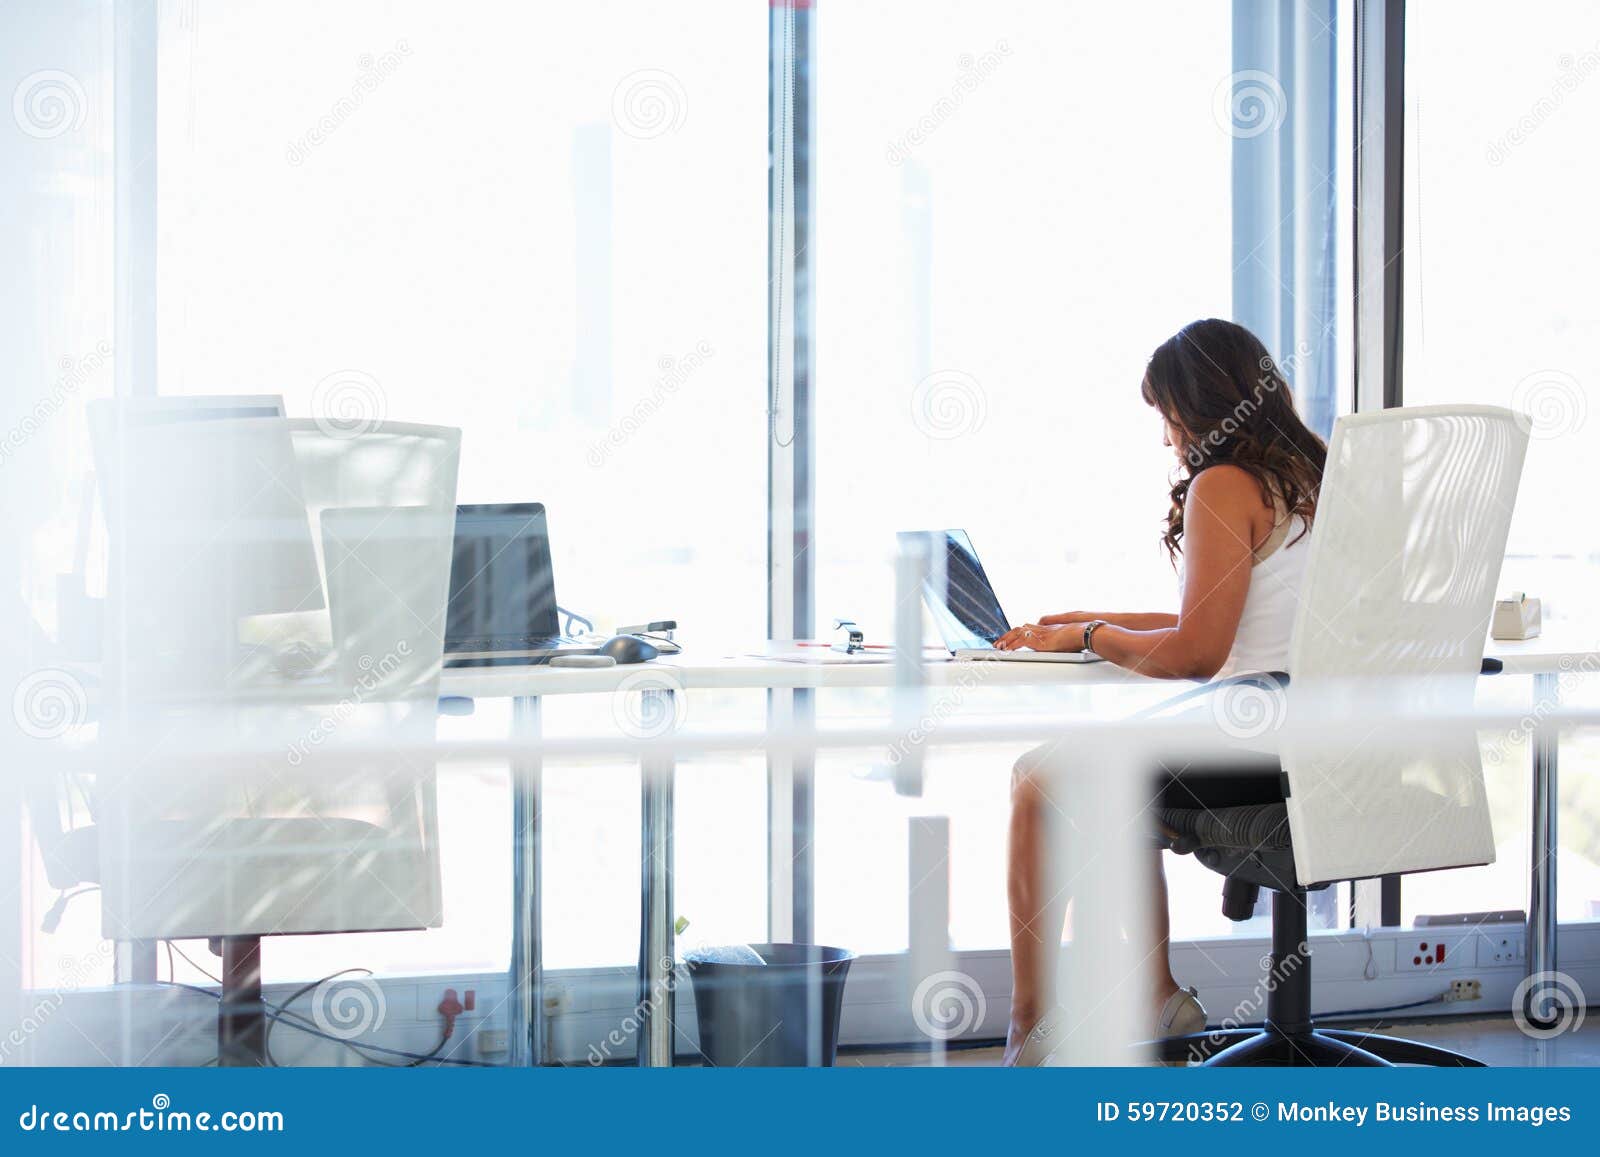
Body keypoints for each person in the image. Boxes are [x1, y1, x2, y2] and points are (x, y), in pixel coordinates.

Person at [996, 318, 1327, 1066]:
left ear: (1203, 407)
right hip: (1323, 742)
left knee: (1041, 776)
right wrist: (1093, 618)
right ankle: (1156, 996)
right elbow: (1227, 613)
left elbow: (1199, 651)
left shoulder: (1225, 482)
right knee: (1111, 758)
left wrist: (1090, 639)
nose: (1168, 438)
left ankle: (1030, 1022)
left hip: (1259, 742)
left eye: (1169, 417)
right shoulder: (1315, 476)